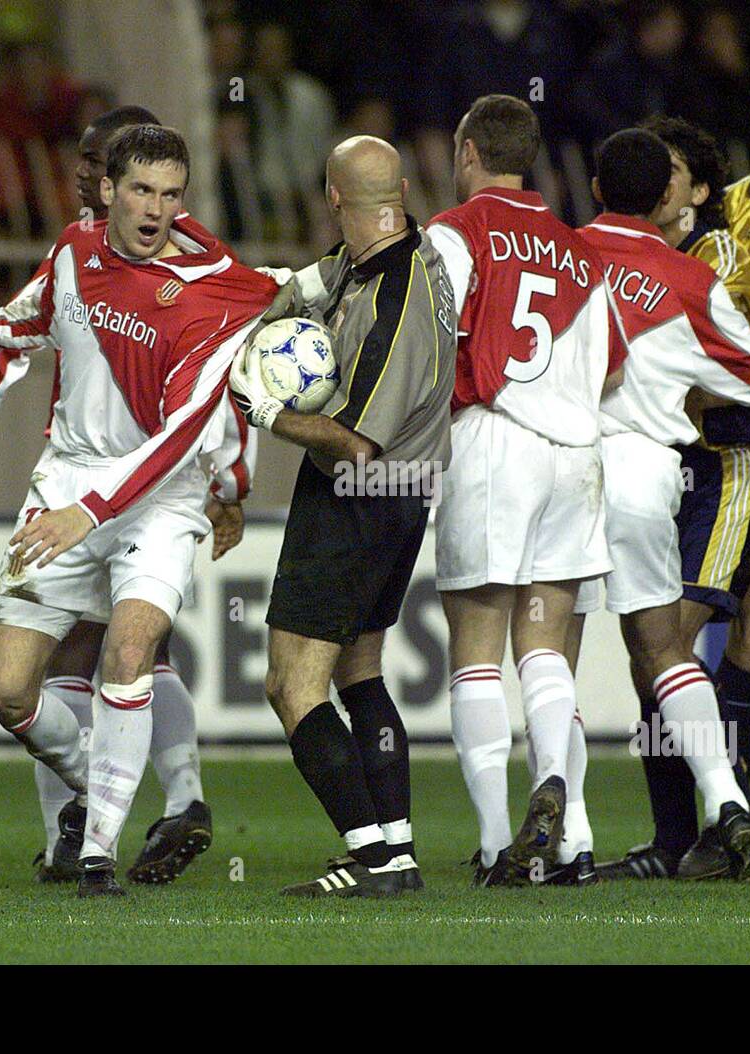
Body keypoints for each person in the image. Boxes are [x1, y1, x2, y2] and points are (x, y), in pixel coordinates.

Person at [0, 124, 280, 896]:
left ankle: (97, 855)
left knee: (130, 651)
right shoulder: (74, 251)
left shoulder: (220, 290)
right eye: (143, 191)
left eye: (172, 194)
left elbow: (189, 429)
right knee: (7, 690)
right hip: (66, 479)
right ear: (109, 191)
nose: (156, 209)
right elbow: (28, 325)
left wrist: (226, 487)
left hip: (158, 497)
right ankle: (100, 787)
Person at [229, 135, 456, 897]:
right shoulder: (396, 251)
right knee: (360, 669)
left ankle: (373, 858)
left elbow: (356, 444)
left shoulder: (398, 303)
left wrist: (266, 410)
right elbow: (320, 276)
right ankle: (398, 847)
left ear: (332, 196)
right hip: (403, 498)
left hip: (358, 498)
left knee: (293, 687)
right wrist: (275, 291)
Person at [574, 129, 750, 881]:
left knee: (554, 651)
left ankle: (568, 837)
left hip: (584, 463)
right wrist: (688, 379)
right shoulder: (685, 279)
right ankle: (716, 812)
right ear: (665, 193)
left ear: (596, 186)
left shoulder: (555, 253)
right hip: (651, 469)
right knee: (661, 653)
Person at [427, 95, 626, 887]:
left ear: (467, 150)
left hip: (494, 442)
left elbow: (432, 335)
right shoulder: (581, 253)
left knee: (477, 651)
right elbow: (611, 366)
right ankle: (572, 835)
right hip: (577, 456)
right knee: (544, 648)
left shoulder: (457, 231)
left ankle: (490, 844)